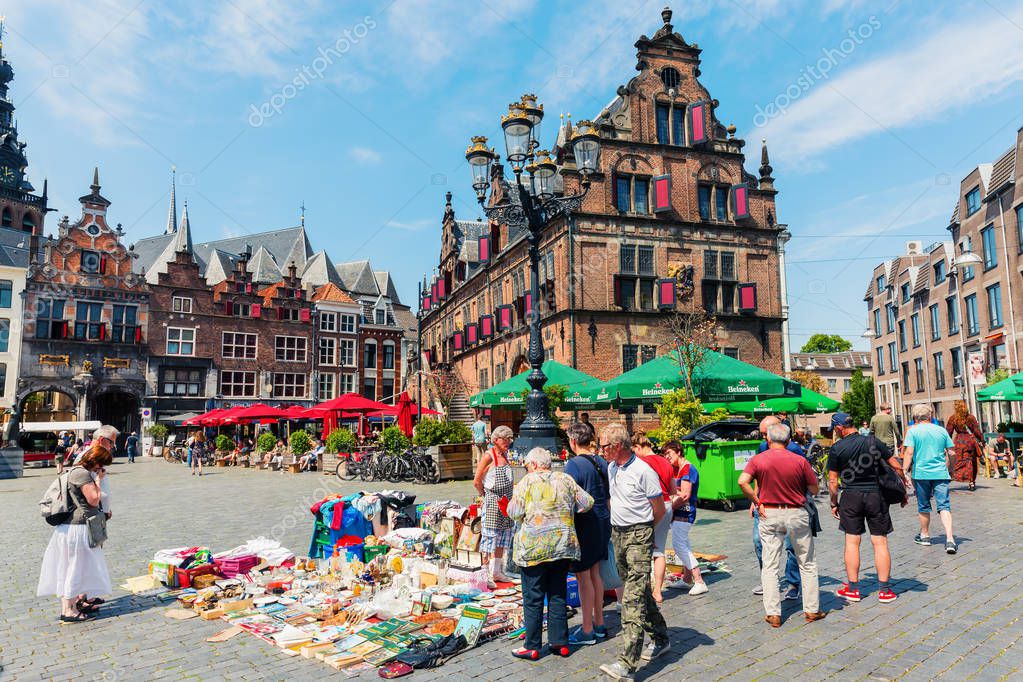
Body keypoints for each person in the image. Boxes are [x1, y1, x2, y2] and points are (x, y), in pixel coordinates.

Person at [598, 423, 670, 682]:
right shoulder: (611, 467)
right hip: (618, 533)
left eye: (604, 446)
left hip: (639, 534)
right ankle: (661, 637)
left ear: (618, 446)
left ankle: (627, 663)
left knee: (631, 600)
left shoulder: (643, 471)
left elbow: (659, 509)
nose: (601, 450)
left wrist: (646, 534)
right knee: (635, 589)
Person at [507, 447, 593, 660]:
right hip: (563, 545)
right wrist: (566, 512)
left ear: (534, 465)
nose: (528, 469)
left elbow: (514, 512)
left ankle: (532, 645)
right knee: (557, 594)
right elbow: (587, 502)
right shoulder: (565, 478)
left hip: (534, 549)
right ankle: (559, 642)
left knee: (533, 597)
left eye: (528, 466)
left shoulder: (527, 482)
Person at [738, 422, 825, 627]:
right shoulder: (799, 460)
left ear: (768, 439)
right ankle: (811, 609)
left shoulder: (758, 459)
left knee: (770, 564)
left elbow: (743, 481)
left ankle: (773, 613)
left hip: (770, 513)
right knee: (807, 562)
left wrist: (756, 500)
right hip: (796, 513)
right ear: (788, 440)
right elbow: (814, 489)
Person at [827, 412, 904, 605]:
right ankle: (885, 591)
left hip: (851, 497)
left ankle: (853, 589)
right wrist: (902, 488)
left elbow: (832, 482)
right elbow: (896, 465)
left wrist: (833, 503)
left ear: (838, 428)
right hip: (875, 496)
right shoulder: (873, 442)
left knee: (852, 543)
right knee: (880, 543)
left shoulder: (836, 448)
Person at [37, 443, 113, 623]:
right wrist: (98, 479)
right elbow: (93, 500)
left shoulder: (79, 472)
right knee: (74, 568)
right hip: (77, 528)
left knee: (73, 567)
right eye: (100, 465)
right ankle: (68, 610)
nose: (101, 469)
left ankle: (71, 606)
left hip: (73, 528)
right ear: (94, 461)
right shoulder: (82, 473)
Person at [564, 421, 611, 646]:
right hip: (603, 521)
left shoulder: (573, 465)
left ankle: (587, 629)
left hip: (585, 523)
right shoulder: (600, 460)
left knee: (583, 577)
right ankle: (599, 624)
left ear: (573, 441)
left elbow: (568, 499)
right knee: (596, 574)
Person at [752, 415, 802, 600]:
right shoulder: (763, 447)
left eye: (766, 434)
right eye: (762, 434)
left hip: (789, 506)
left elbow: (803, 478)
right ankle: (769, 580)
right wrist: (754, 499)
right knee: (759, 542)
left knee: (790, 546)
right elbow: (758, 473)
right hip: (764, 504)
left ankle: (793, 583)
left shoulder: (795, 450)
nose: (764, 438)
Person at [903, 404, 957, 554]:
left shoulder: (913, 431)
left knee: (923, 505)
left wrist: (904, 471)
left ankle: (925, 535)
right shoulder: (941, 430)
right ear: (931, 416)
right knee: (944, 506)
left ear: (914, 418)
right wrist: (951, 468)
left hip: (921, 474)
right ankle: (950, 539)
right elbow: (952, 453)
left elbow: (909, 452)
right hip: (940, 473)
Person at [632, 433, 676, 603]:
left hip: (650, 508)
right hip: (667, 506)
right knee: (659, 551)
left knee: (644, 549)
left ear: (638, 447)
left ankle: (646, 590)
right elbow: (673, 490)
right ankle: (658, 591)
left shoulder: (641, 463)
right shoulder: (665, 461)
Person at [662, 441, 708, 595]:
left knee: (679, 545)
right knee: (684, 544)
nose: (667, 457)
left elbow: (685, 495)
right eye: (665, 454)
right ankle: (687, 579)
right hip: (679, 512)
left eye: (669, 453)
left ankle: (699, 580)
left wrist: (668, 508)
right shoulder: (677, 469)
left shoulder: (687, 469)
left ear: (679, 451)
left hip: (685, 512)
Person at [473, 425, 516, 586]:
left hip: (506, 503)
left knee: (503, 538)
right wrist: (484, 495)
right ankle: (485, 574)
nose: (509, 442)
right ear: (496, 440)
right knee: (489, 538)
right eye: (506, 439)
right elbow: (477, 480)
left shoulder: (505, 454)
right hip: (492, 503)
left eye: (510, 439)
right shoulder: (488, 456)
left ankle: (496, 571)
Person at [946, 400, 984, 491]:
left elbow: (948, 432)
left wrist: (947, 444)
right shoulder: (971, 417)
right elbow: (976, 431)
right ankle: (971, 482)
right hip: (970, 442)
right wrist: (982, 440)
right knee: (971, 461)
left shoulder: (953, 418)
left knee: (958, 461)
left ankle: (952, 476)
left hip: (959, 442)